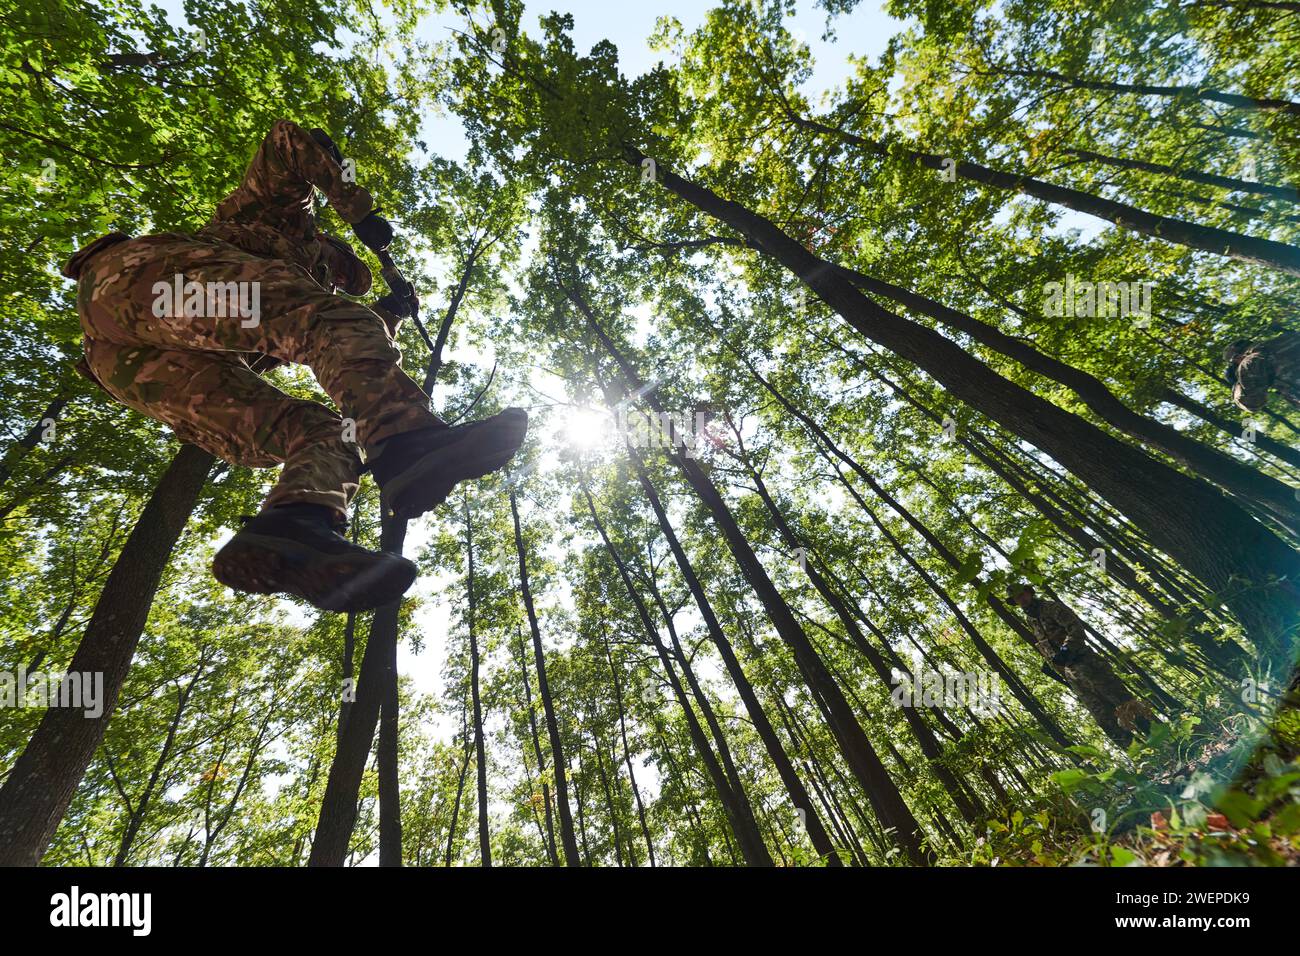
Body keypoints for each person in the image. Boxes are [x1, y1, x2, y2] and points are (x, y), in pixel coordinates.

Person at [65, 120, 526, 613]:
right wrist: (360, 210)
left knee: (327, 432)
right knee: (329, 321)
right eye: (345, 267)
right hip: (138, 280)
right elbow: (289, 140)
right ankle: (405, 442)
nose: (345, 278)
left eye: (348, 279)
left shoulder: (303, 293)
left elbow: (343, 343)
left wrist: (390, 313)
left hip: (130, 362)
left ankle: (297, 524)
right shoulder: (283, 219)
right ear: (329, 244)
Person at [1009, 583, 1153, 746]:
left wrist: (1066, 649)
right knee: (1103, 717)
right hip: (1071, 673)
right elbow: (1046, 643)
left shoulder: (1051, 607)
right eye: (1017, 598)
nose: (1021, 599)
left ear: (1029, 593)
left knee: (1124, 702)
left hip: (1087, 662)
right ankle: (1141, 756)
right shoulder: (1031, 620)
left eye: (1023, 595)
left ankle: (1161, 740)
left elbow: (1076, 628)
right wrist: (1054, 664)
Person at [1223, 332, 1299, 412]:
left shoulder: (1250, 362)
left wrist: (1236, 384)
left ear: (1237, 357)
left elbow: (1251, 403)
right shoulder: (1285, 338)